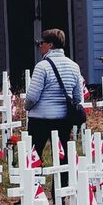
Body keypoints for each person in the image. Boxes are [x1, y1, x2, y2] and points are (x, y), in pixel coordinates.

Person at [24, 28, 85, 164]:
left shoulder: (42, 67)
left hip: (40, 119)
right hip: (63, 118)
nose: (40, 45)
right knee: (62, 156)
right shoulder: (74, 66)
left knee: (35, 155)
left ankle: (35, 182)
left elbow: (32, 97)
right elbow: (78, 97)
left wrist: (27, 107)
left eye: (42, 42)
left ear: (50, 45)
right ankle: (62, 184)